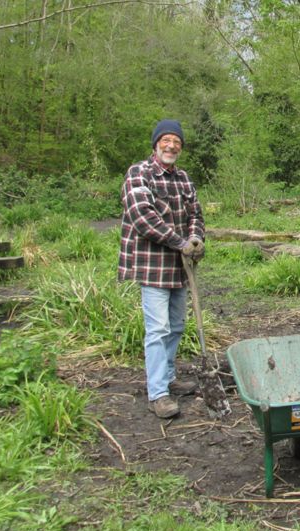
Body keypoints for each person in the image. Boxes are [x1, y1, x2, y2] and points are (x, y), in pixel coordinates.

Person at [119, 119, 206, 418]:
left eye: (177, 142)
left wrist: (195, 239)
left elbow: (196, 214)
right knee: (158, 329)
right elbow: (143, 218)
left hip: (180, 267)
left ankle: (168, 378)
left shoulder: (183, 179)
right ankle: (158, 393)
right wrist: (180, 241)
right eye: (166, 141)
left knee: (177, 326)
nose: (171, 146)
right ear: (156, 144)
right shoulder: (138, 173)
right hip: (152, 265)